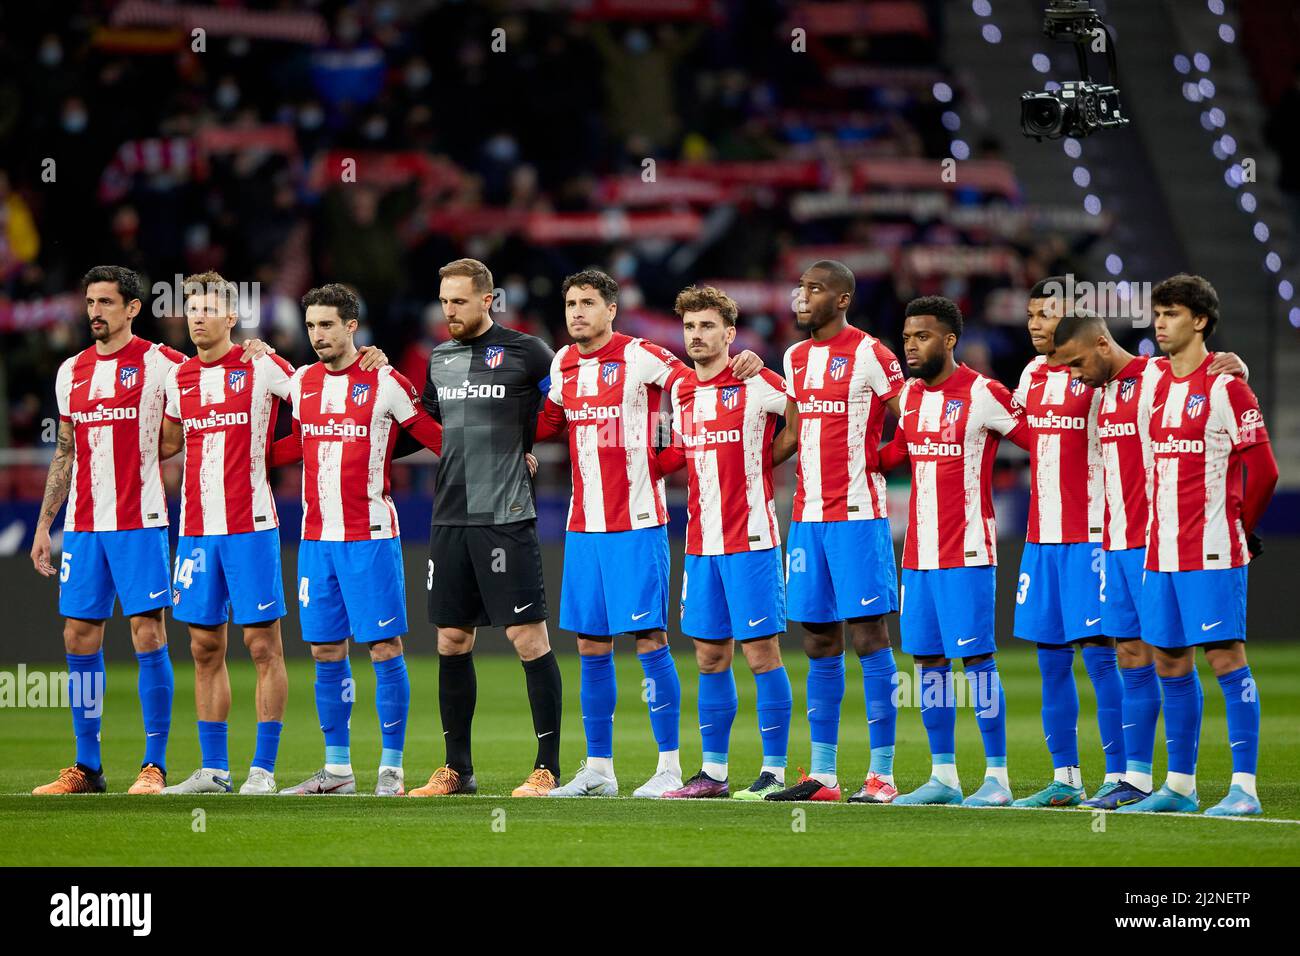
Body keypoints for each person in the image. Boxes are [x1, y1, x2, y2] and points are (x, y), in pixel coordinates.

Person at [157, 272, 388, 795]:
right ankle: (214, 770)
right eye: (191, 310)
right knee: (202, 648)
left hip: (251, 527)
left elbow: (327, 390)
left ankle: (262, 769)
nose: (197, 318)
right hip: (195, 529)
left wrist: (370, 359)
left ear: (231, 318)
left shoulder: (262, 366)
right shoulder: (179, 379)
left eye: (209, 310)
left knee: (264, 647)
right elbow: (169, 440)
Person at [535, 269, 762, 799]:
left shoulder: (640, 355)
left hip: (637, 524)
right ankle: (599, 769)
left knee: (648, 639)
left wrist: (666, 461)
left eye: (587, 303)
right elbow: (548, 422)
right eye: (570, 303)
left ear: (611, 309)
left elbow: (699, 390)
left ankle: (666, 765)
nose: (576, 313)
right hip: (582, 525)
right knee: (591, 642)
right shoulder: (563, 363)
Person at [1046, 307, 1247, 809]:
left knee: (1171, 656)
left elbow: (1206, 382)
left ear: (1101, 345)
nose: (1074, 376)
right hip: (1112, 545)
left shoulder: (1156, 374)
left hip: (1158, 543)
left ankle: (1183, 781)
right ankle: (1135, 778)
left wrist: (1234, 365)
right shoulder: (1100, 392)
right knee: (1130, 655)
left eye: (1076, 363)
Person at [271, 284, 443, 797]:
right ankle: (338, 770)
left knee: (384, 647)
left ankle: (391, 767)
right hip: (316, 541)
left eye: (327, 325)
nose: (317, 335)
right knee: (326, 650)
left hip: (369, 537)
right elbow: (293, 446)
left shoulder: (385, 381)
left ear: (351, 326)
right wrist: (234, 451)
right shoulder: (301, 383)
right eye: (310, 326)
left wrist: (499, 457)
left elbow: (437, 439)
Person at [1115, 276, 1277, 816]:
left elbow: (1265, 469)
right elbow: (1106, 359)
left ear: (1200, 321)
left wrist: (1240, 527)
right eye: (1156, 314)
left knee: (1226, 659)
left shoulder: (1229, 386)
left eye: (1172, 314)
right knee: (1168, 661)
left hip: (1211, 548)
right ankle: (1179, 787)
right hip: (1158, 552)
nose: (1159, 323)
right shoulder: (1155, 379)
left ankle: (1245, 789)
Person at [411, 258, 563, 799]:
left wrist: (528, 443)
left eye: (458, 300)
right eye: (443, 300)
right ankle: (457, 770)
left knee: (529, 638)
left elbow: (567, 401)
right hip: (450, 515)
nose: (448, 310)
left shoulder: (529, 350)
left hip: (505, 517)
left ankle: (547, 767)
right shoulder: (440, 359)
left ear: (488, 300)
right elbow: (426, 423)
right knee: (451, 639)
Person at [31, 265, 184, 795]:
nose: (94, 311)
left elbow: (191, 411)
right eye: (90, 301)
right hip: (83, 525)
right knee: (78, 635)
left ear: (133, 308)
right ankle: (87, 767)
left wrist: (252, 350)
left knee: (148, 633)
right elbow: (66, 450)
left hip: (139, 520)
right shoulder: (70, 370)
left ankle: (154, 765)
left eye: (105, 302)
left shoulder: (164, 363)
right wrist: (44, 523)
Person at [877, 296, 1032, 807]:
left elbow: (1040, 439)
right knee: (927, 663)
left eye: (921, 336)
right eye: (906, 338)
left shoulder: (985, 393)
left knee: (977, 662)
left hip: (967, 550)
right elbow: (899, 452)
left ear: (949, 339)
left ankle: (998, 777)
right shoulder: (912, 397)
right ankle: (943, 774)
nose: (911, 346)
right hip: (918, 554)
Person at [766, 260, 906, 804]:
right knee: (819, 639)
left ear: (842, 299)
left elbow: (910, 416)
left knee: (869, 636)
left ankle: (882, 775)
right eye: (800, 287)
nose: (802, 296)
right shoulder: (795, 357)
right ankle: (823, 776)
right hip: (806, 519)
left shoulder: (872, 353)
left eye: (815, 288)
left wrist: (880, 459)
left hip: (857, 518)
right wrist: (751, 463)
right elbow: (794, 432)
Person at [654, 286, 794, 800]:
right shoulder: (683, 391)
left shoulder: (756, 381)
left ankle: (775, 772)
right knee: (710, 657)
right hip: (700, 543)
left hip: (752, 539)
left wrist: (765, 458)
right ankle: (713, 773)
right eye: (690, 327)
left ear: (730, 334)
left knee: (761, 654)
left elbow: (801, 414)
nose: (697, 335)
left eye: (708, 326)